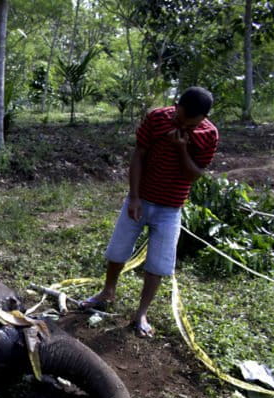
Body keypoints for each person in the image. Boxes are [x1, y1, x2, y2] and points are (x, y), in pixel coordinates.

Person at [81, 86, 219, 337]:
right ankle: (107, 292)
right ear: (177, 105)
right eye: (180, 114)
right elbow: (139, 155)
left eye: (189, 120)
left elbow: (194, 175)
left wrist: (181, 148)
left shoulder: (208, 134)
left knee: (158, 262)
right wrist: (133, 196)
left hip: (171, 207)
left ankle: (141, 313)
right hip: (141, 199)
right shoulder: (157, 118)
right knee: (118, 249)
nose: (182, 121)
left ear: (202, 118)